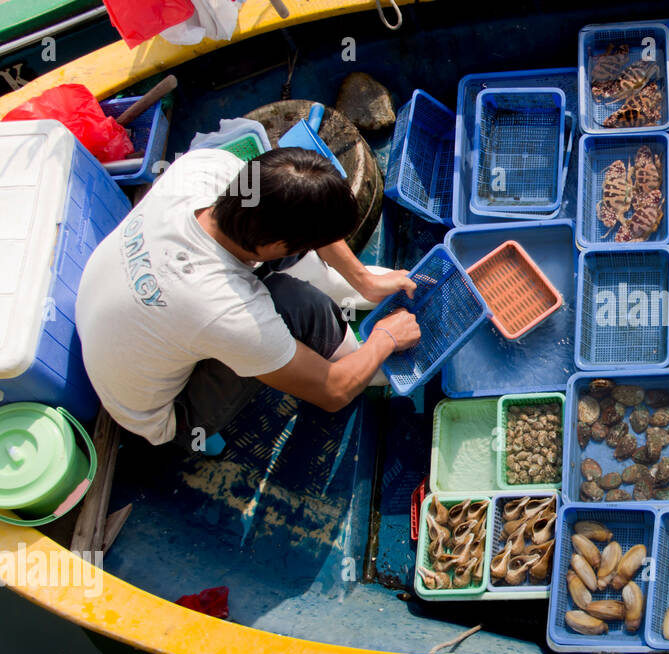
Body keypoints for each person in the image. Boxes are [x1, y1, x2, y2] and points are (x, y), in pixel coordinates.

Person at [75, 147, 420, 454]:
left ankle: (350, 294)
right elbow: (332, 392)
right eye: (306, 243)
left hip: (123, 327)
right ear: (273, 244)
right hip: (168, 413)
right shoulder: (223, 309)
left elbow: (294, 217)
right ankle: (362, 362)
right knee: (294, 304)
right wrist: (383, 339)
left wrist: (364, 280)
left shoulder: (209, 170)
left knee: (280, 254)